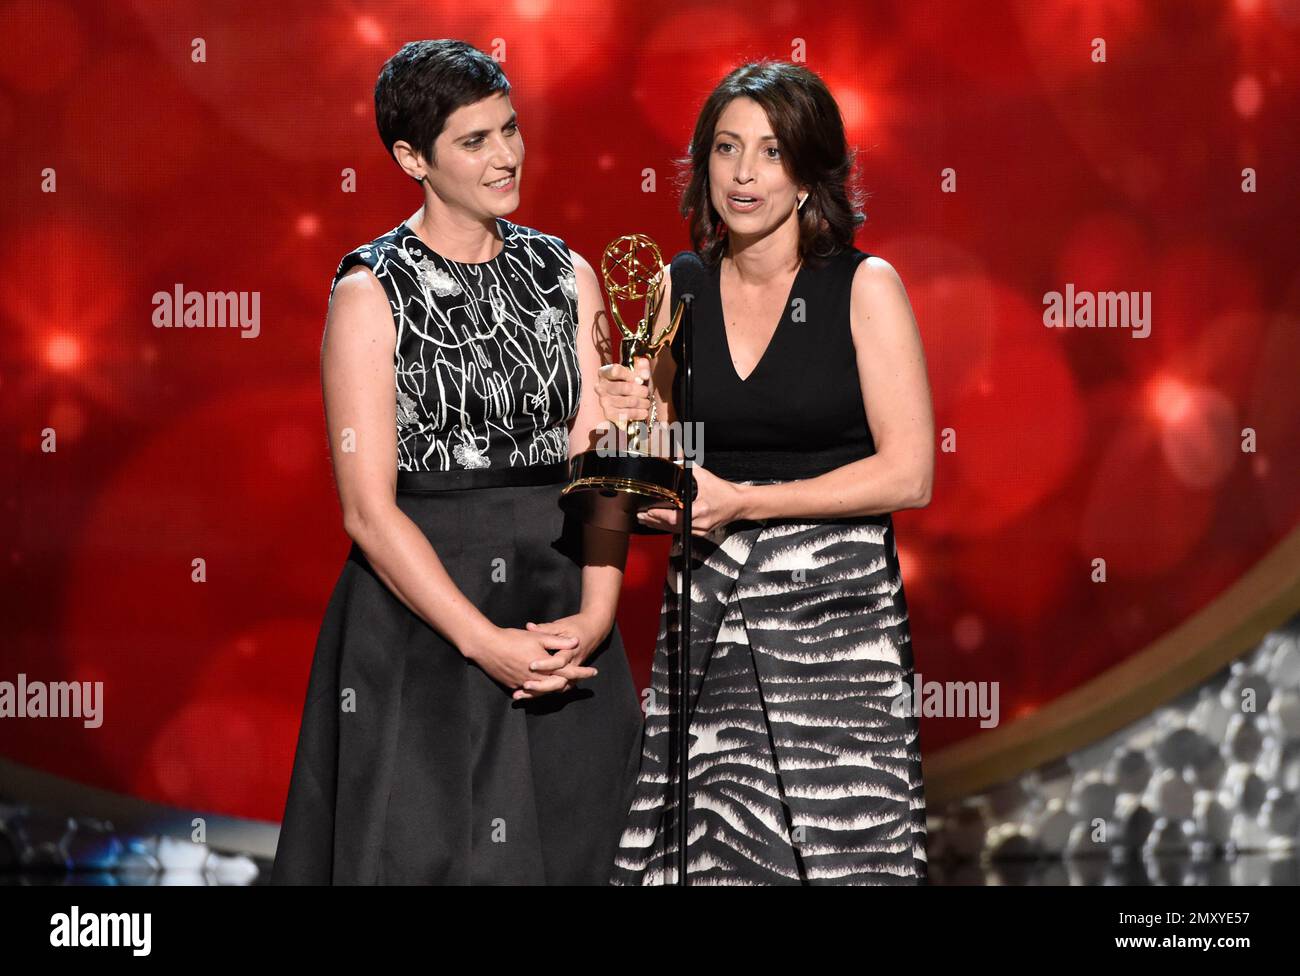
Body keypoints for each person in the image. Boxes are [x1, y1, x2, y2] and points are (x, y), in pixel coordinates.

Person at [271, 39, 643, 884]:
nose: (506, 155)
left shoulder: (565, 271)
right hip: (425, 620)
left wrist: (597, 611)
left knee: (583, 853)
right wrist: (483, 643)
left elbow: (602, 461)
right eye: (474, 141)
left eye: (509, 129)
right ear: (412, 158)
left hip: (565, 609)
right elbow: (367, 510)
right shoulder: (371, 290)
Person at [599, 60, 934, 884]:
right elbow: (667, 465)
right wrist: (627, 422)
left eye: (771, 151)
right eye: (725, 148)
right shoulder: (679, 287)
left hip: (835, 627)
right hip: (711, 616)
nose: (744, 174)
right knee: (722, 854)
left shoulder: (865, 286)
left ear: (810, 171)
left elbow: (910, 474)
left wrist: (747, 503)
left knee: (848, 851)